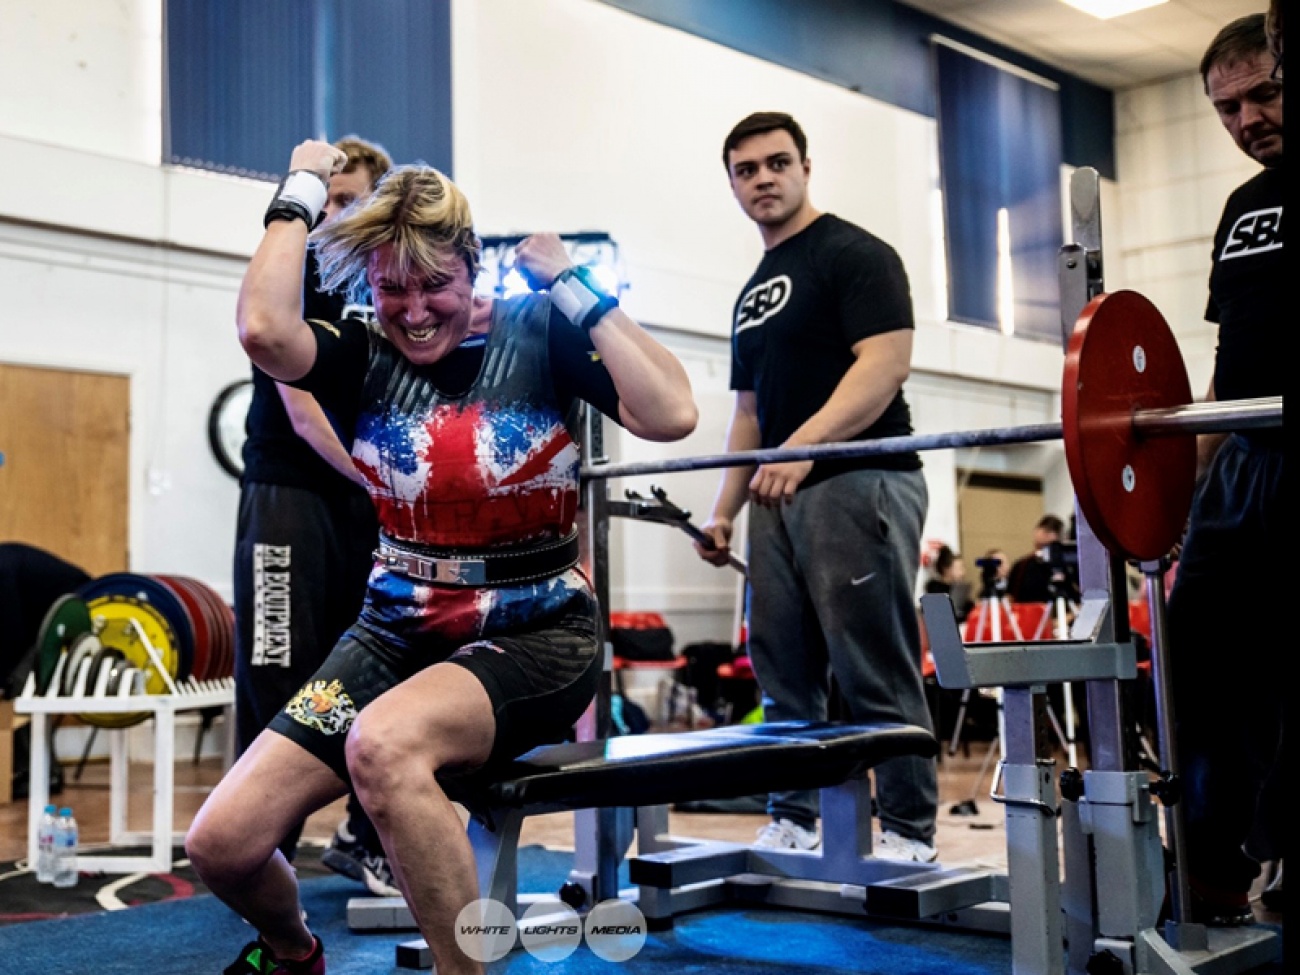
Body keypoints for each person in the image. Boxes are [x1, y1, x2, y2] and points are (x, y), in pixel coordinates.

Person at [187, 139, 696, 975]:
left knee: (383, 747)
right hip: (395, 631)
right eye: (392, 288)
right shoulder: (360, 353)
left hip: (537, 634)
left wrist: (574, 284)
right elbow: (261, 326)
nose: (415, 311)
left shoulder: (544, 333)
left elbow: (672, 411)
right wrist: (301, 190)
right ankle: (291, 953)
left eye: (435, 287)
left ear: (472, 267)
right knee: (223, 843)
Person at [694, 112, 937, 862]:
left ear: (805, 166)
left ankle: (907, 830)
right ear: (732, 182)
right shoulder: (754, 291)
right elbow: (748, 413)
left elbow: (884, 364)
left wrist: (805, 446)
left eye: (777, 163)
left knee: (871, 660)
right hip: (776, 491)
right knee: (781, 664)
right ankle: (793, 815)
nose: (763, 179)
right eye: (746, 169)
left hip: (859, 479)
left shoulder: (856, 254)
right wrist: (723, 511)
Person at [232, 135, 398, 896]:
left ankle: (366, 836)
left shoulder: (386, 285)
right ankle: (259, 843)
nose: (339, 213)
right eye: (329, 200)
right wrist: (381, 481)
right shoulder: (291, 269)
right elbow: (300, 414)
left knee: (377, 664)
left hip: (362, 498)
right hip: (291, 496)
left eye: (354, 199)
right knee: (278, 672)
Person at [1167, 12, 1283, 927]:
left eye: (1265, 94)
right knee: (1199, 673)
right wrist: (1184, 495)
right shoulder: (1243, 207)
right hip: (1240, 463)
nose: (1248, 121)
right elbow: (1223, 364)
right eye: (1228, 109)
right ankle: (1210, 880)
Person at [1005, 514, 1064, 603]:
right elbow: (1010, 597)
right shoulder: (1021, 566)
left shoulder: (1063, 567)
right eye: (1045, 531)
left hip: (1058, 613)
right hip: (1026, 613)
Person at [924, 544, 972, 623]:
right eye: (959, 568)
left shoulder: (960, 590)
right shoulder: (934, 593)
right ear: (946, 569)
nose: (963, 573)